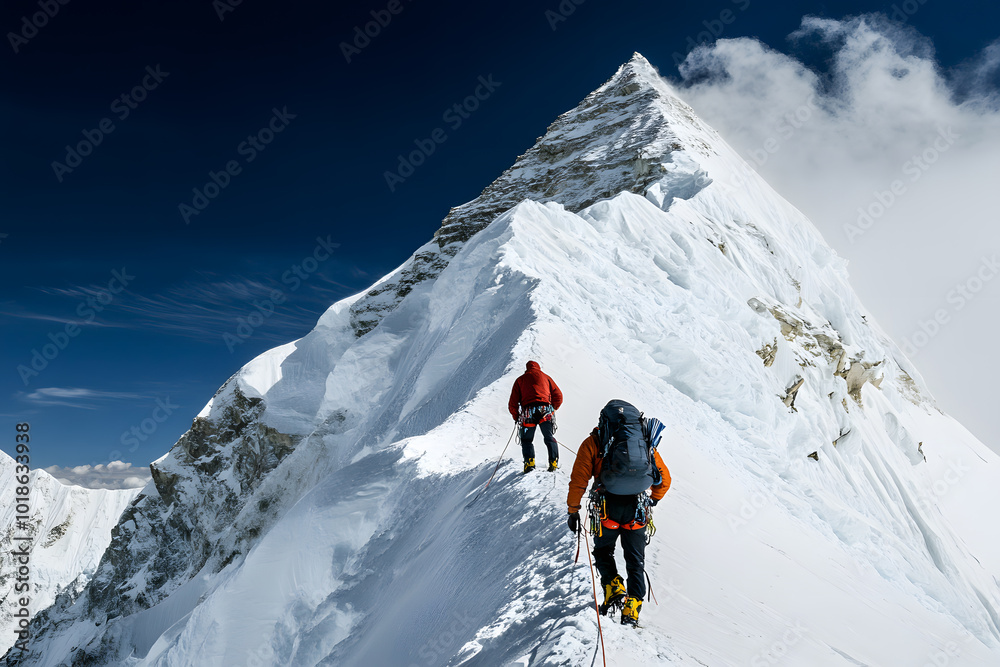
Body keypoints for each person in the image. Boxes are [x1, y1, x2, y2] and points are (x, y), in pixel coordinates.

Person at [566, 399, 671, 627]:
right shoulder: (643, 442)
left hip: (606, 510)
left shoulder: (594, 442)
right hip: (637, 509)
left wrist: (573, 510)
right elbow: (664, 478)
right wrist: (653, 500)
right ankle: (633, 605)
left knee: (604, 551)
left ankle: (613, 587)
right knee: (636, 560)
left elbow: (578, 481)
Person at [508, 360, 563, 473]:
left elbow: (512, 403)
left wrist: (516, 417)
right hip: (545, 411)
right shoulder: (546, 377)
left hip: (528, 412)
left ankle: (529, 463)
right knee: (549, 437)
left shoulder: (520, 380)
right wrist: (553, 409)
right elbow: (558, 395)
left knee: (527, 440)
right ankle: (553, 462)